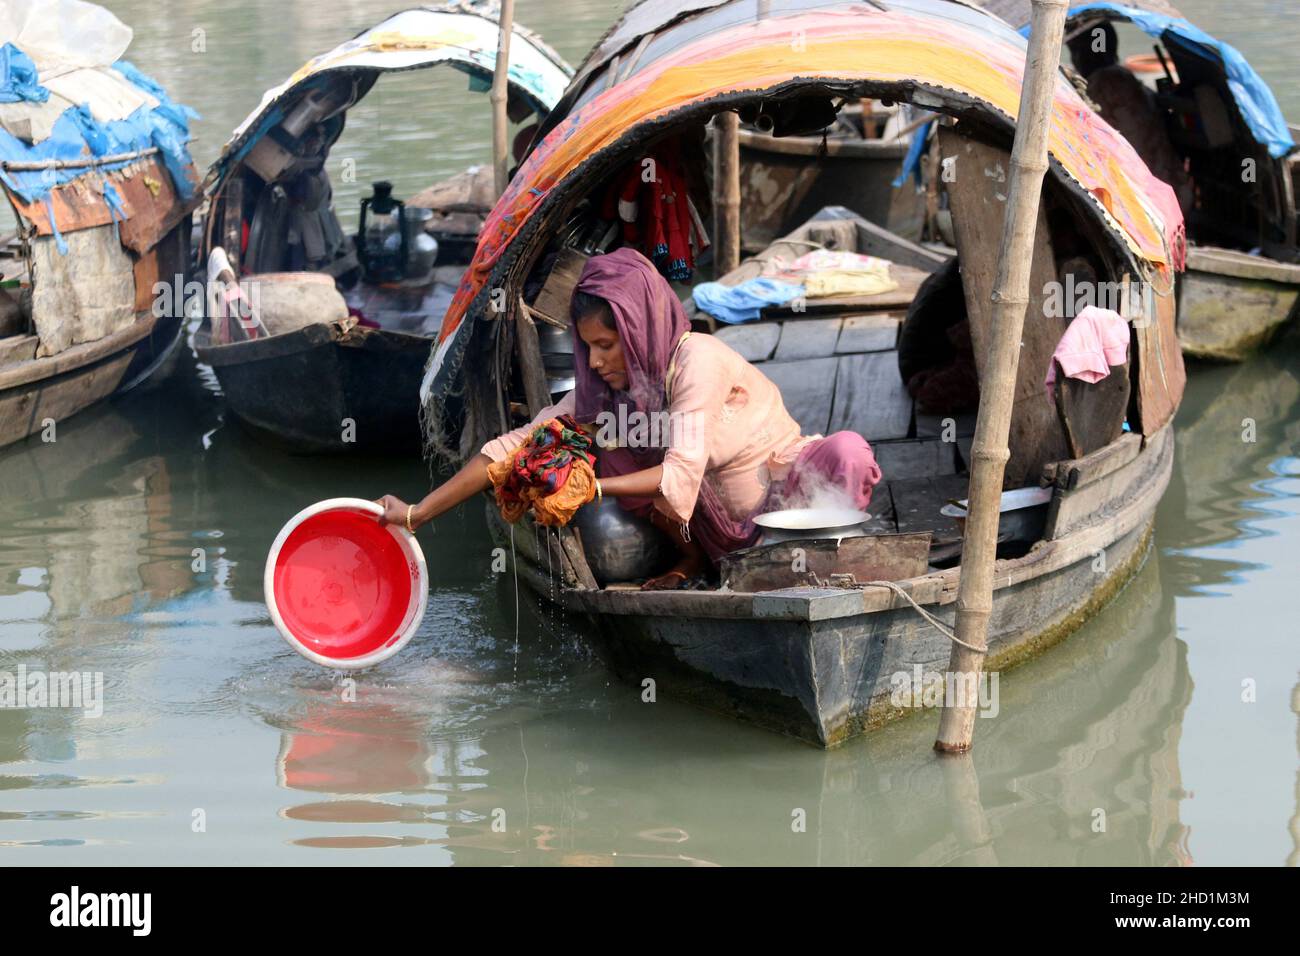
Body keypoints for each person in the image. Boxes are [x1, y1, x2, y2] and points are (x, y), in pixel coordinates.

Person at [377, 247, 882, 590]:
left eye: (605, 345)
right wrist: (418, 514)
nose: (594, 363)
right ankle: (698, 561)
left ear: (638, 330)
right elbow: (512, 449)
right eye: (588, 348)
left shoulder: (697, 360)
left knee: (847, 452)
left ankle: (831, 560)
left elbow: (680, 471)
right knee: (600, 448)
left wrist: (590, 487)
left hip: (789, 500)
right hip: (722, 533)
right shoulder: (607, 396)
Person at [1067, 22, 1194, 215]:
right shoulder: (1125, 78)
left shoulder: (1104, 84)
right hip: (1173, 189)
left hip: (1146, 200)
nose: (1074, 59)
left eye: (1076, 51)